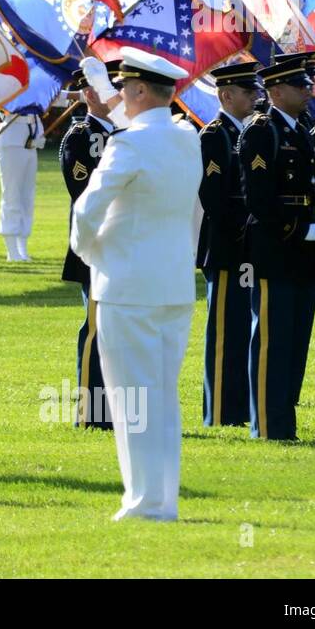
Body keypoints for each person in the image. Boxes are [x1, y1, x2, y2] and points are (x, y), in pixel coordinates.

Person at [70, 48, 201, 521]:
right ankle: (162, 497)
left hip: (128, 285)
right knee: (162, 395)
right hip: (173, 283)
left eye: (125, 87)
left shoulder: (130, 144)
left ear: (141, 91)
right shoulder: (189, 139)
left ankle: (146, 502)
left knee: (135, 399)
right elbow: (195, 214)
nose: (120, 95)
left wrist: (92, 253)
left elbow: (86, 211)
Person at [238, 52, 315, 441]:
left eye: (307, 83)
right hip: (276, 248)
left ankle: (285, 422)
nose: (307, 89)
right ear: (276, 90)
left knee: (295, 342)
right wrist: (303, 229)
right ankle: (266, 422)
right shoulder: (262, 131)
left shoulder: (302, 129)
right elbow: (259, 201)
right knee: (272, 341)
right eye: (299, 84)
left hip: (302, 253)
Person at [196, 60, 260, 427]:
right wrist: (246, 225)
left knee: (246, 330)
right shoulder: (214, 136)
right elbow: (214, 198)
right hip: (226, 246)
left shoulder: (249, 132)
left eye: (254, 91)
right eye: (247, 91)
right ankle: (220, 411)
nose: (254, 97)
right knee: (225, 332)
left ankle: (242, 407)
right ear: (226, 95)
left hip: (249, 245)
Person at [59, 64, 117, 430]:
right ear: (90, 94)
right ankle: (92, 413)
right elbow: (83, 193)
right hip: (97, 246)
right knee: (96, 329)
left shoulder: (128, 133)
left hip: (128, 245)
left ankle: (118, 409)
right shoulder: (80, 135)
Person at [0, 109, 44, 261]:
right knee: (12, 194)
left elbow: (49, 92)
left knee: (26, 197)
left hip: (31, 135)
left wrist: (78, 96)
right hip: (12, 135)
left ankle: (22, 246)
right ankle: (11, 249)